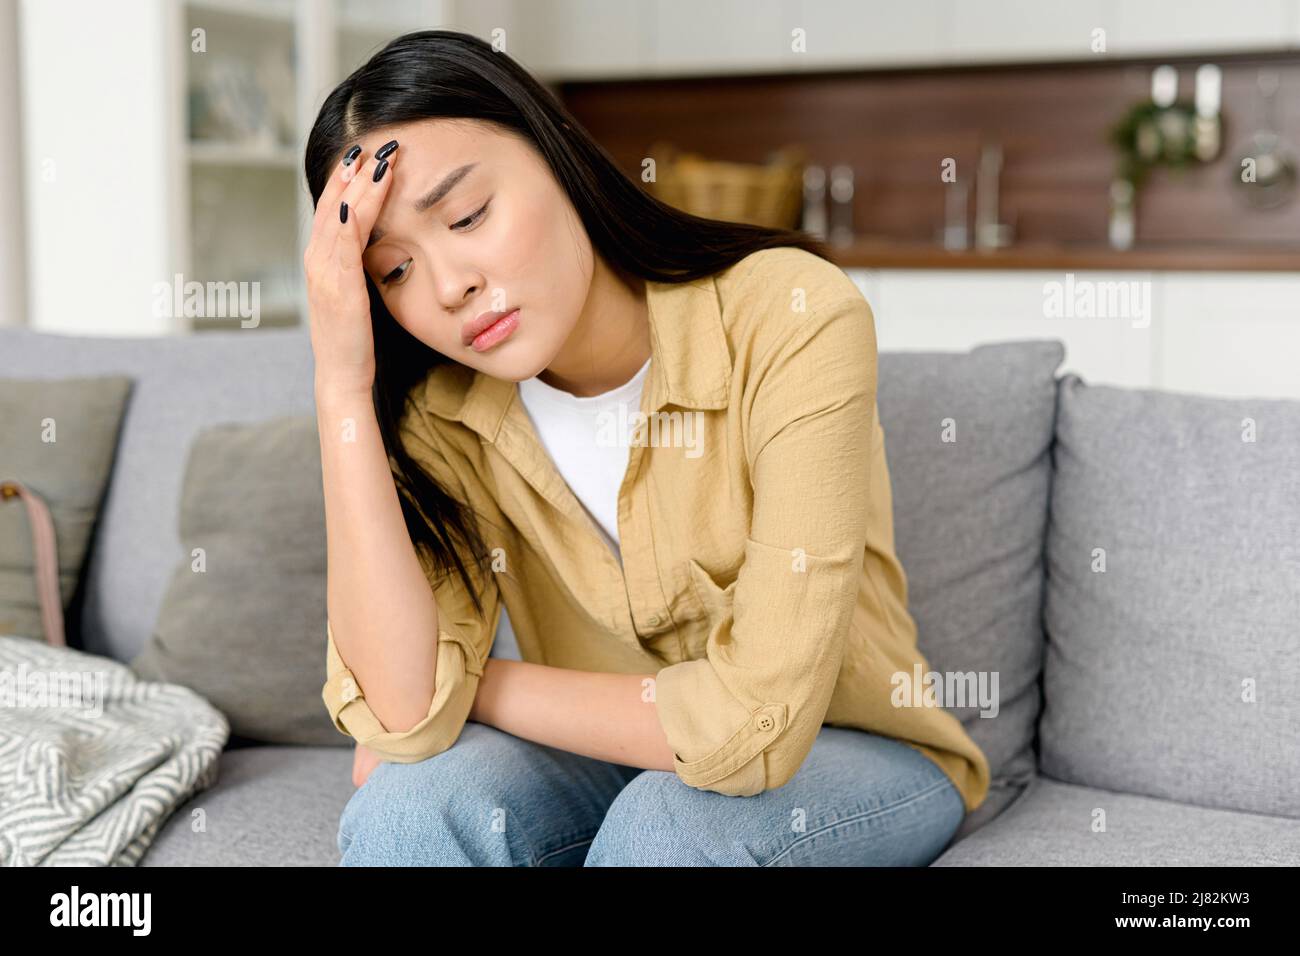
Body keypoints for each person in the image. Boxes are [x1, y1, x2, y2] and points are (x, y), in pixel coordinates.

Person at [303, 29, 989, 867]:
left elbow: (755, 729)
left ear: (555, 153)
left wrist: (477, 687)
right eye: (395, 271)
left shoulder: (791, 314)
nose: (451, 288)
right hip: (610, 759)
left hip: (853, 750)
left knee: (669, 830)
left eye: (468, 215)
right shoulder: (440, 411)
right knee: (406, 814)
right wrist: (341, 387)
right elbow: (405, 713)